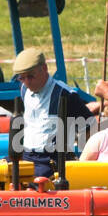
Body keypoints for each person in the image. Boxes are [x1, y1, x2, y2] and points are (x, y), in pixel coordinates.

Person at [12, 48, 93, 179]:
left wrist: (84, 162)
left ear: (44, 69)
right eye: (22, 78)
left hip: (50, 161)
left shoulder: (66, 95)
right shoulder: (24, 90)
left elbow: (90, 128)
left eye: (31, 76)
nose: (27, 82)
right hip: (26, 155)